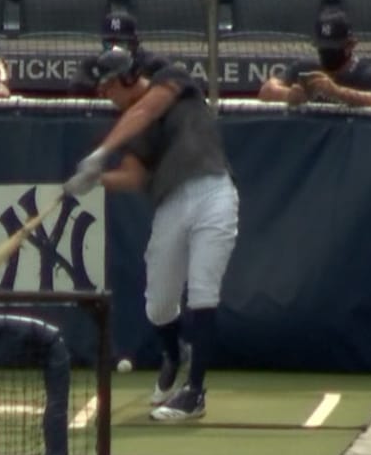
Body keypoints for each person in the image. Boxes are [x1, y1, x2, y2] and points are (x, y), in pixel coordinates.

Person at [64, 47, 239, 421]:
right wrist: (94, 181)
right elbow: (134, 177)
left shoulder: (172, 79)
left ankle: (195, 392)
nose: (105, 96)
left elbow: (146, 109)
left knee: (204, 291)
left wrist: (100, 153)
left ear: (128, 77)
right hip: (171, 204)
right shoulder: (132, 132)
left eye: (108, 87)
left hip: (214, 192)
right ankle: (175, 354)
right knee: (159, 303)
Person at [257, 9, 371, 108]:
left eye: (333, 48)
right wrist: (288, 95)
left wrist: (337, 92)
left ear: (350, 45)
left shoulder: (369, 73)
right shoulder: (305, 67)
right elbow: (266, 90)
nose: (326, 53)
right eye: (323, 48)